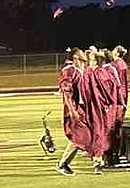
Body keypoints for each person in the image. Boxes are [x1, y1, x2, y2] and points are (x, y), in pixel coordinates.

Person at [56, 48, 92, 176]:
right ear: (76, 56)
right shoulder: (69, 70)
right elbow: (66, 93)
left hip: (81, 108)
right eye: (81, 52)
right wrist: (72, 110)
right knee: (81, 136)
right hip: (74, 109)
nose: (84, 53)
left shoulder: (80, 69)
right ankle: (63, 163)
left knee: (81, 136)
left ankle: (64, 163)